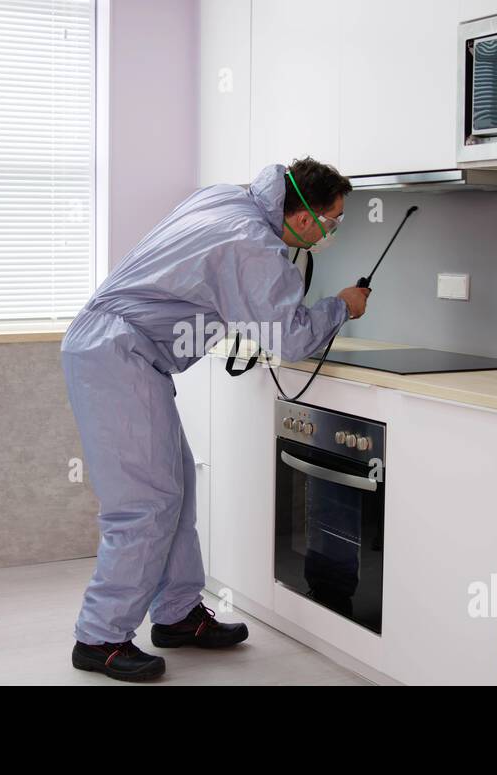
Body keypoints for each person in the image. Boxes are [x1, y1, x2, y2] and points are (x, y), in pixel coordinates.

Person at [62, 157, 370, 680]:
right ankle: (100, 636)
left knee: (173, 489)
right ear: (302, 219)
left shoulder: (227, 199)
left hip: (121, 349)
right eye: (332, 221)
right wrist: (340, 307)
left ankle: (179, 614)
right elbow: (289, 339)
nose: (331, 231)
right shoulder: (256, 244)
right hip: (120, 354)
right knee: (146, 503)